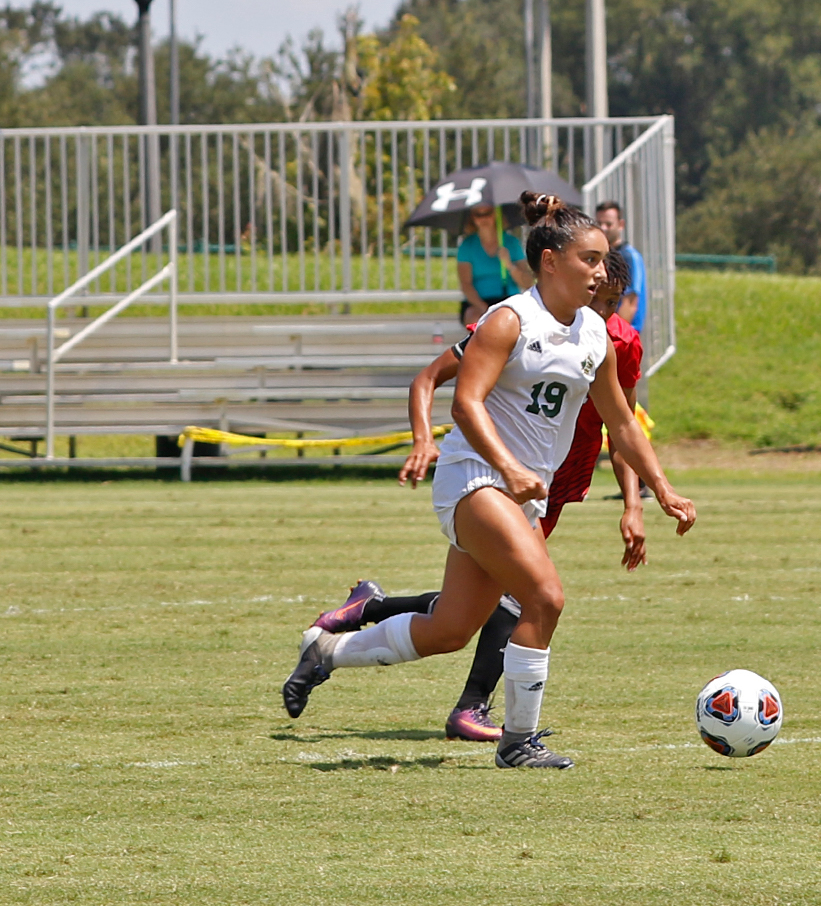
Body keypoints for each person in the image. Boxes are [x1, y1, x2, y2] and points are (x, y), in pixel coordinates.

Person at [282, 192, 696, 771]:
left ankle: (327, 651)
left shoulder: (595, 337)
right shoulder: (508, 320)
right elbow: (467, 404)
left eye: (604, 261)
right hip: (473, 479)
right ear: (550, 260)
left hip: (519, 490)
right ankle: (518, 741)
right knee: (544, 597)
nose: (602, 273)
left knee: (452, 628)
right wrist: (508, 469)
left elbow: (622, 424)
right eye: (590, 259)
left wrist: (662, 488)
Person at [314, 251, 646, 744]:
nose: (601, 305)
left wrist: (636, 502)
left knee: (470, 612)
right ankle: (486, 716)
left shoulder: (615, 341)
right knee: (531, 594)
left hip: (553, 482)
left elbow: (623, 426)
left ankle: (361, 617)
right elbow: (435, 382)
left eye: (613, 300)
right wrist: (425, 439)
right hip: (498, 477)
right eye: (596, 290)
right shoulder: (513, 322)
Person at [455, 203, 534, 325]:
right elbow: (466, 285)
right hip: (478, 304)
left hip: (508, 300)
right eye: (478, 215)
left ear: (497, 215)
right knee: (475, 319)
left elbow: (527, 282)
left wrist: (509, 265)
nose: (483, 218)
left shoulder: (511, 243)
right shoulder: (467, 245)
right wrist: (485, 309)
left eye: (488, 213)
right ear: (472, 218)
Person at [594, 201, 647, 334]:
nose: (603, 228)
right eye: (599, 224)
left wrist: (616, 337)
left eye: (608, 224)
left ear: (621, 225)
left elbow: (630, 302)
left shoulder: (629, 256)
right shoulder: (601, 255)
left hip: (623, 335)